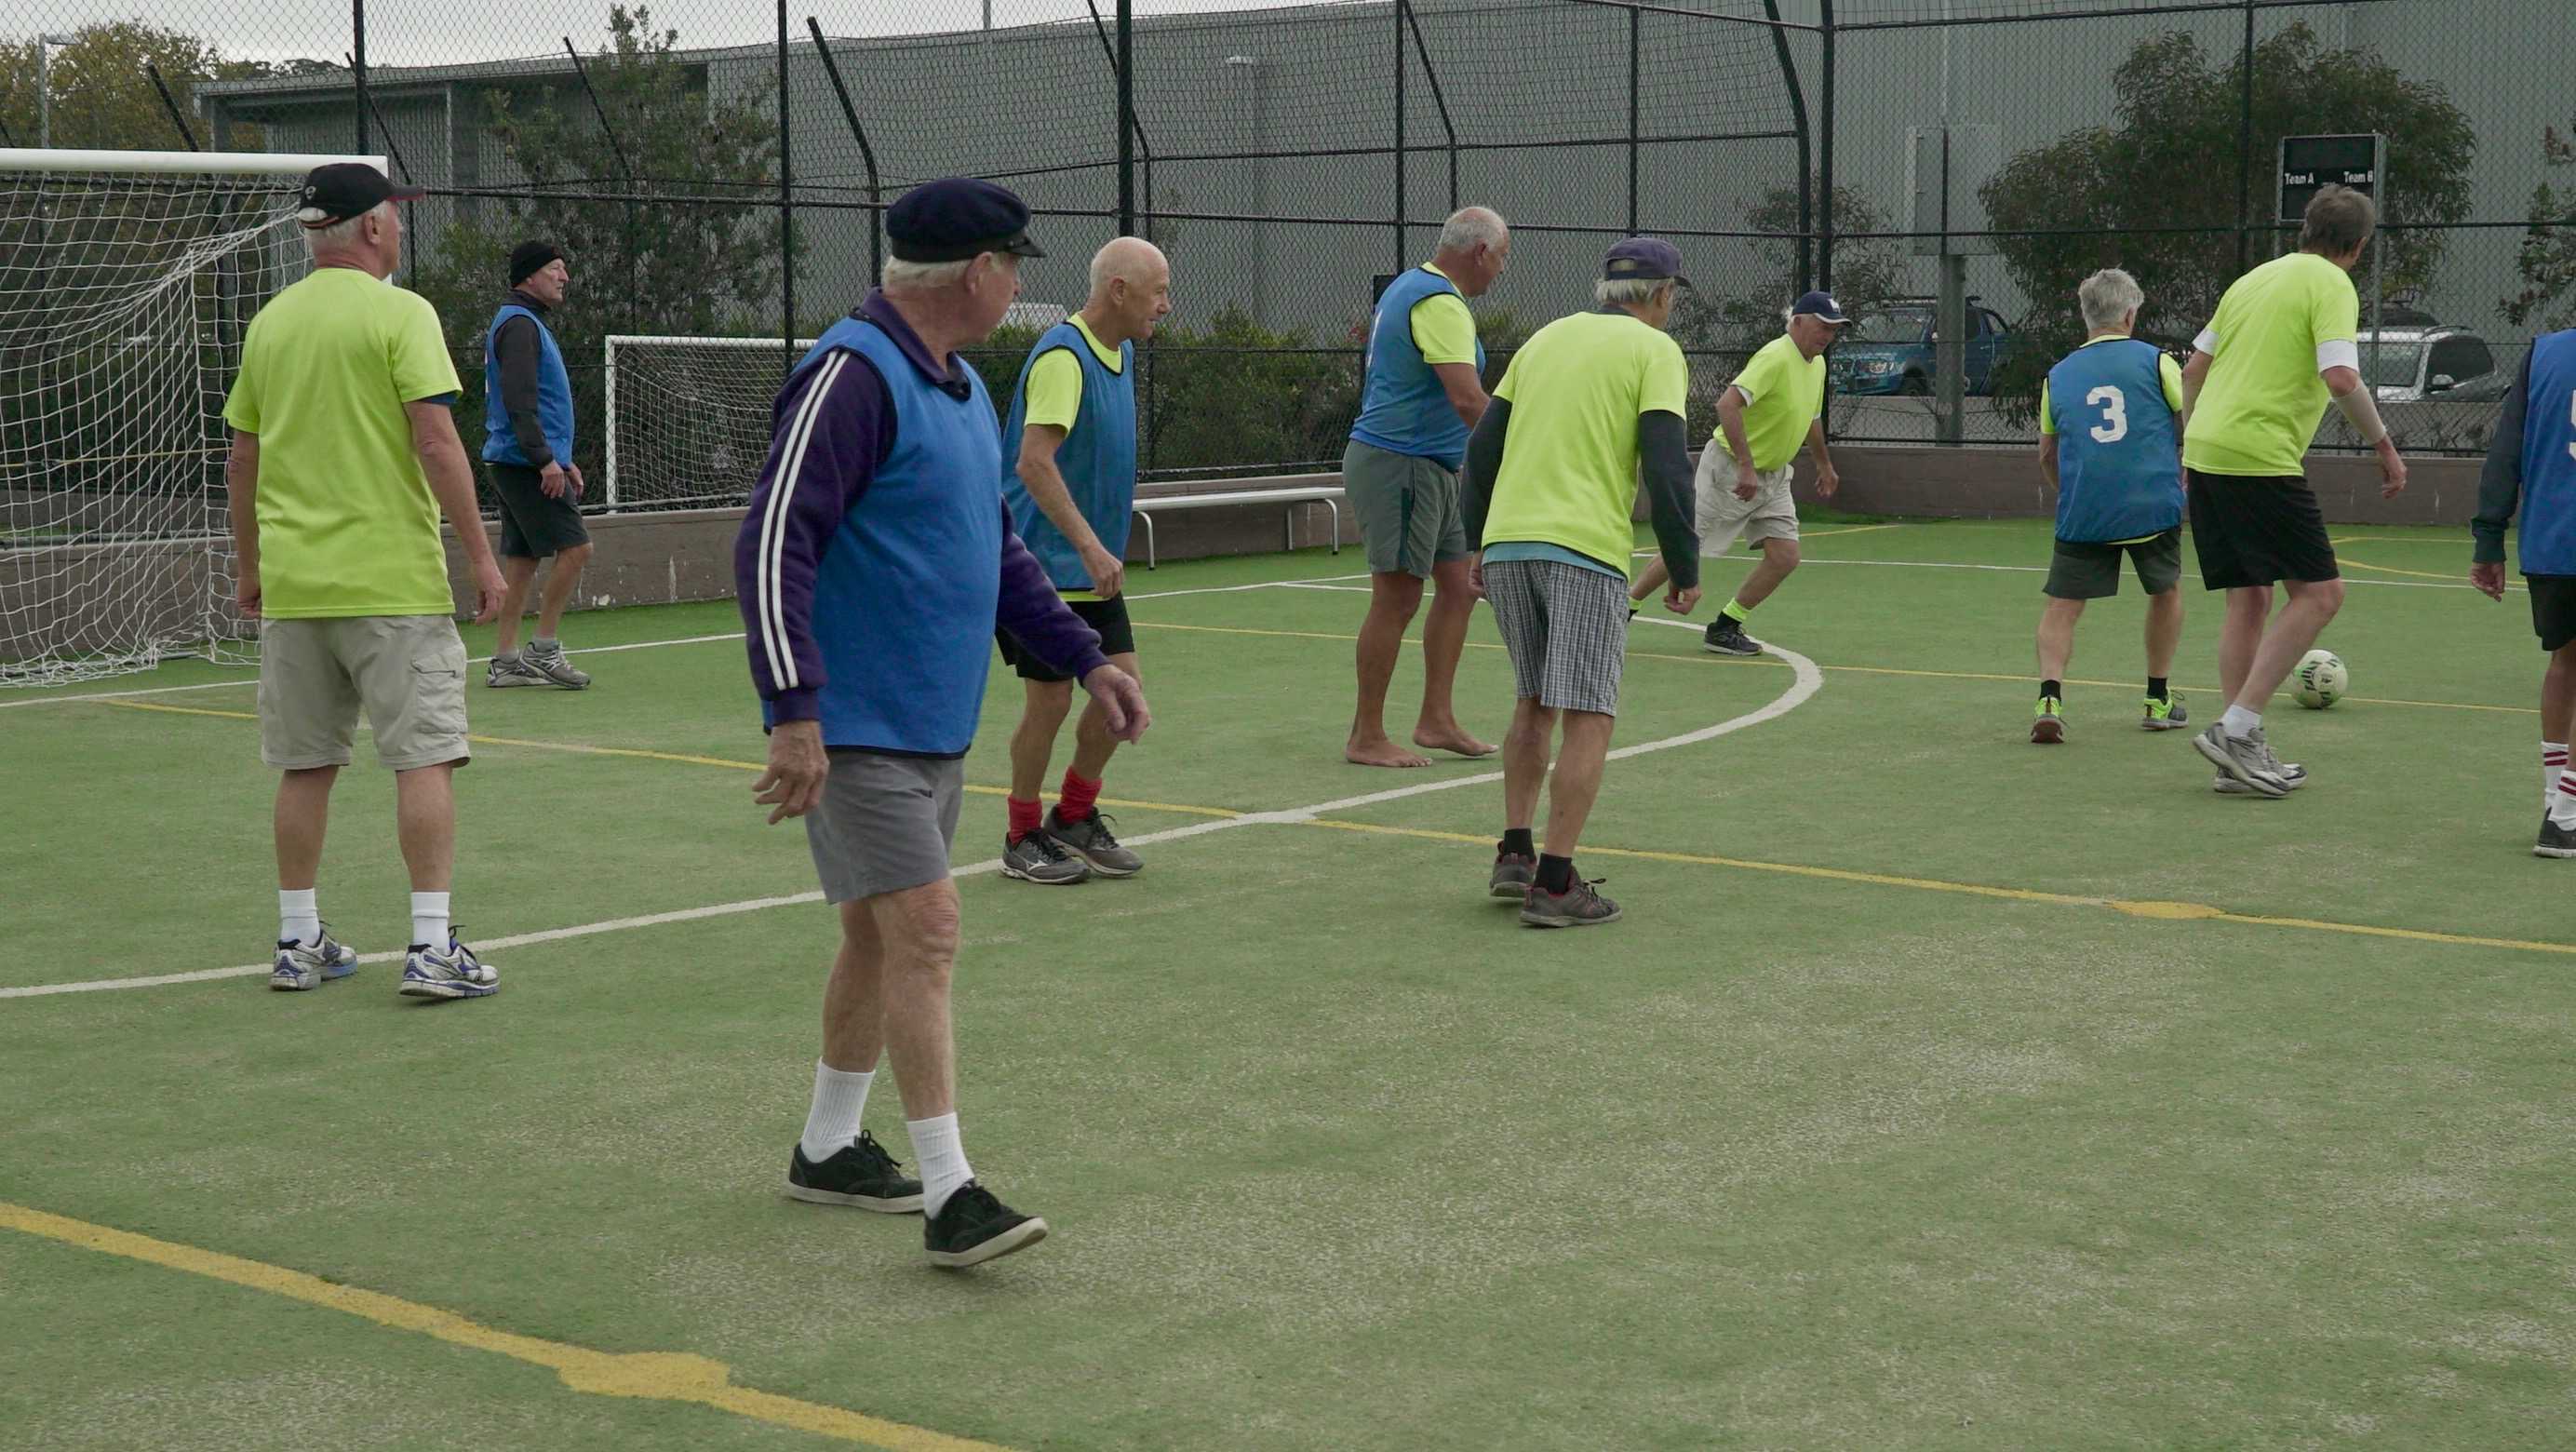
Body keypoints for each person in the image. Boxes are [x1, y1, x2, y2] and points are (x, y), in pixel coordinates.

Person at [734, 178, 1151, 1269]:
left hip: (929, 724)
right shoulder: (851, 375)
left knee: (876, 936)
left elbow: (995, 553)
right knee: (928, 930)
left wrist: (1082, 656)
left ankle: (827, 1147)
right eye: (1014, 264)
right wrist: (793, 712)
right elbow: (772, 539)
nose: (1019, 284)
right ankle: (950, 1193)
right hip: (858, 723)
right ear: (977, 273)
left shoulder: (960, 389)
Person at [221, 162, 507, 1000]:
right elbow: (436, 441)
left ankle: (297, 939)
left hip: (298, 587)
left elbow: (244, 457)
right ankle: (429, 947)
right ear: (374, 227)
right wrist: (482, 556)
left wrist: (250, 566)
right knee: (425, 758)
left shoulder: (269, 324)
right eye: (397, 214)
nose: (402, 227)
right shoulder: (401, 313)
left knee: (305, 765)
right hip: (392, 587)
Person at [1461, 237, 1702, 927]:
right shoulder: (1656, 352)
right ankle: (1558, 884)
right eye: (1672, 296)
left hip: (1510, 542)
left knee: (1531, 700)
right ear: (1659, 296)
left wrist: (1480, 540)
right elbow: (1665, 463)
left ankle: (1515, 851)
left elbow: (1483, 450)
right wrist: (1682, 566)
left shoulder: (1543, 340)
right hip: (1585, 549)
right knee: (1589, 713)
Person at [2180, 184, 2407, 797]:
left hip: (2209, 451)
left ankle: (2237, 753)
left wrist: (2191, 442)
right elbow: (2339, 377)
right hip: (2259, 456)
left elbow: (2193, 370)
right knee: (2322, 593)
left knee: (2247, 600)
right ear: (2358, 246)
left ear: (2305, 228)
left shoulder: (2252, 281)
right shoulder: (2332, 284)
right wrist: (2384, 444)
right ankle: (2240, 729)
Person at [995, 236, 1172, 886]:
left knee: (1121, 698)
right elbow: (1032, 463)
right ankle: (1020, 835)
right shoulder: (1063, 359)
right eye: (1158, 292)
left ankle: (1073, 815)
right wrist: (1091, 544)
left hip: (1091, 573)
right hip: (1039, 568)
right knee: (1050, 702)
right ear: (1118, 290)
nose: (1166, 305)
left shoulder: (1119, 354)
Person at [1342, 206, 1511, 768]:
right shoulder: (1438, 301)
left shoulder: (1413, 289)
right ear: (1480, 251)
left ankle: (1436, 720)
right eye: (1502, 257)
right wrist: (1521, 452)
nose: (1501, 271)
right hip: (1402, 463)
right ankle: (1366, 735)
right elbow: (1467, 398)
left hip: (1433, 466)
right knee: (1397, 598)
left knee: (1460, 586)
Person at [1628, 292, 1846, 655]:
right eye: (1822, 326)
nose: (1827, 335)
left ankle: (1725, 626)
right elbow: (1727, 404)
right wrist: (1745, 464)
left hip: (1774, 477)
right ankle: (1624, 609)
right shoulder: (1776, 357)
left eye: (1834, 329)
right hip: (1729, 470)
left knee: (1785, 556)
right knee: (1684, 545)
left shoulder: (1817, 364)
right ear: (1798, 322)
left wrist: (1824, 464)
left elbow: (1811, 418)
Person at [2030, 267, 2192, 743]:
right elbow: (2190, 421)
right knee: (2165, 592)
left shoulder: (2056, 376)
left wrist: (2071, 491)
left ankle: (2049, 700)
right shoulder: (2158, 362)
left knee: (2063, 606)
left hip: (2086, 508)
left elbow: (2046, 452)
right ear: (2130, 313)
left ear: (2086, 315)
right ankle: (2157, 699)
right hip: (2151, 504)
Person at [2470, 322, 2576, 855]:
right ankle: (2568, 816)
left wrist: (2489, 535)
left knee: (2566, 661)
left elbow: (2505, 448)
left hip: (2552, 542)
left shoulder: (2546, 353)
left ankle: (2555, 795)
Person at [481, 240, 594, 690]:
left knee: (524, 558)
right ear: (529, 276)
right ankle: (543, 649)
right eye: (556, 269)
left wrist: (560, 460)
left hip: (518, 460)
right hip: (524, 462)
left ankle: (505, 659)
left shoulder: (524, 322)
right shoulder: (521, 325)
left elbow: (534, 402)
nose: (564, 277)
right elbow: (519, 400)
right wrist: (545, 459)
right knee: (577, 548)